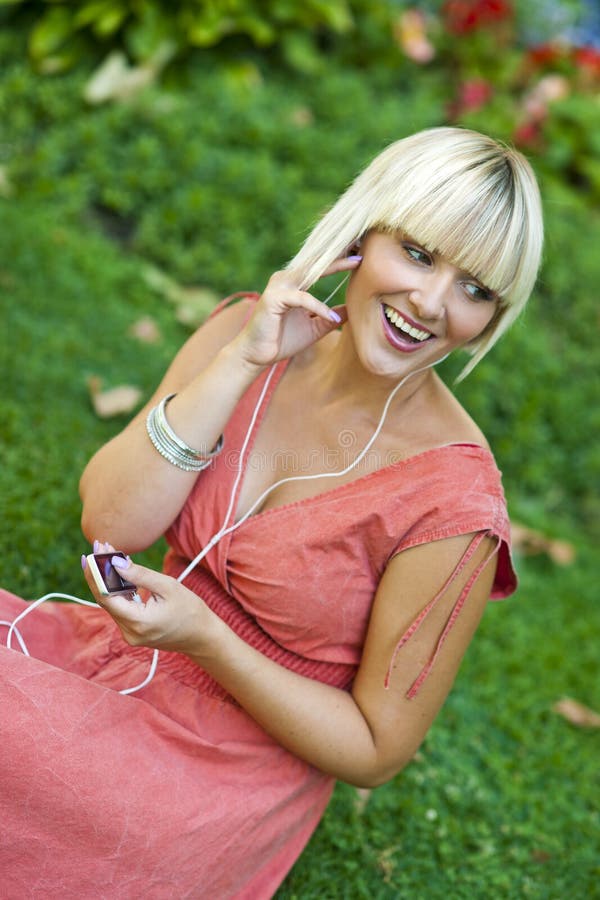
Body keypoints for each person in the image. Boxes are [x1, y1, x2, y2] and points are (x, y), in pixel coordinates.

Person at [0, 126, 543, 898]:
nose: (431, 303)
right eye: (419, 253)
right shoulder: (250, 331)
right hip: (105, 661)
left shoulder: (454, 506)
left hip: (218, 773)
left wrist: (206, 640)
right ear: (364, 233)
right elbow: (111, 522)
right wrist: (241, 361)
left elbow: (376, 748)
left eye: (476, 289)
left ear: (491, 317)